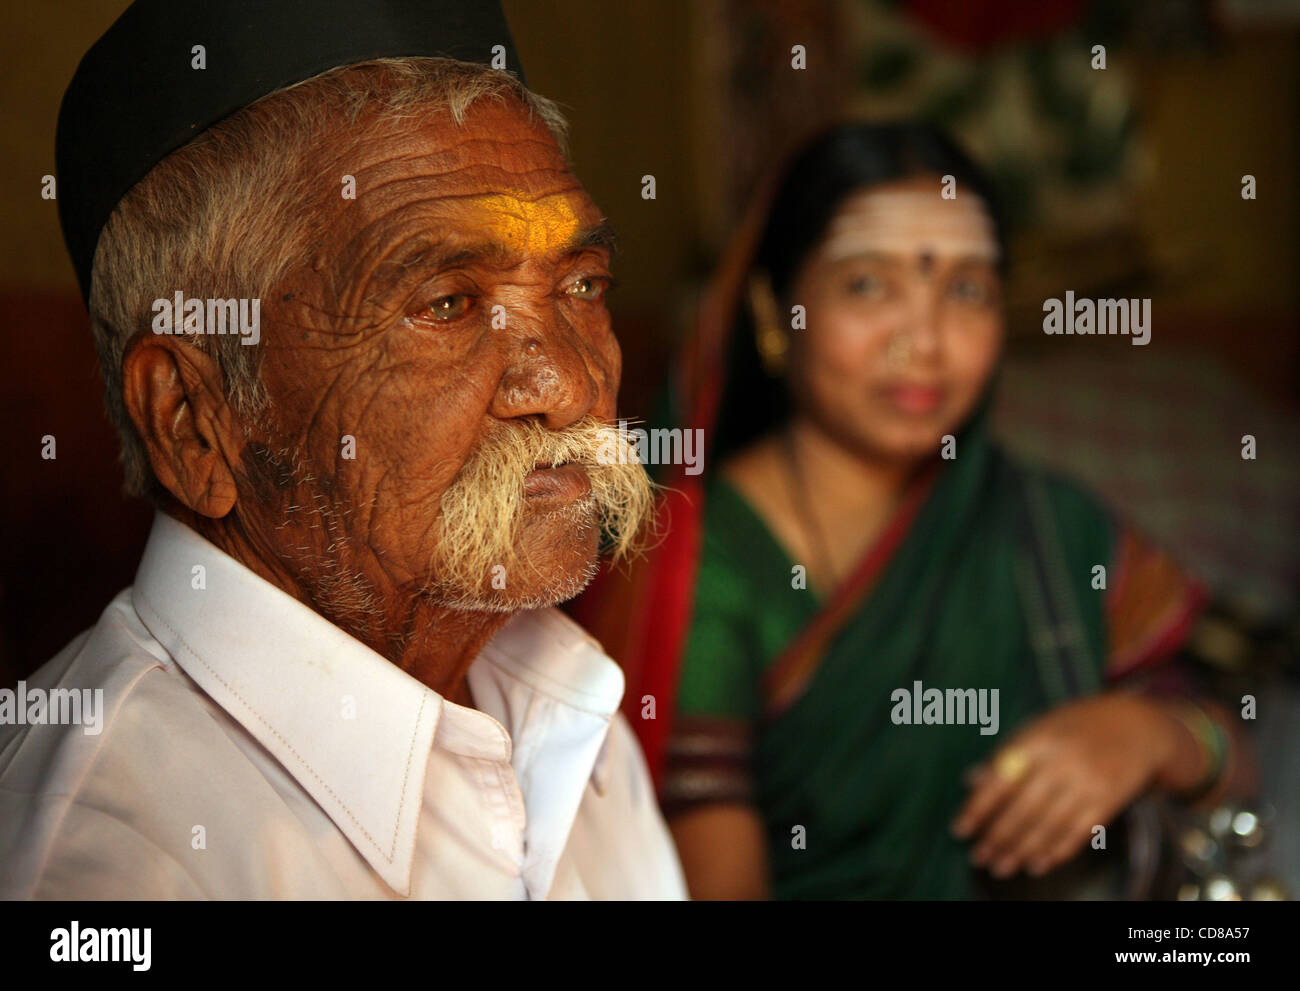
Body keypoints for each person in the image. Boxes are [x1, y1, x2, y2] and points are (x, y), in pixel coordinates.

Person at [0, 0, 685, 900]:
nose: (563, 384)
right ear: (194, 422)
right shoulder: (109, 859)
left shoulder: (569, 714)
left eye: (582, 284)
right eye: (446, 303)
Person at [576, 121, 1253, 900]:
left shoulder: (1049, 523)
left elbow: (1234, 756)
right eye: (869, 285)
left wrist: (1151, 735)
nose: (924, 340)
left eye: (965, 289)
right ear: (773, 313)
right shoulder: (697, 560)